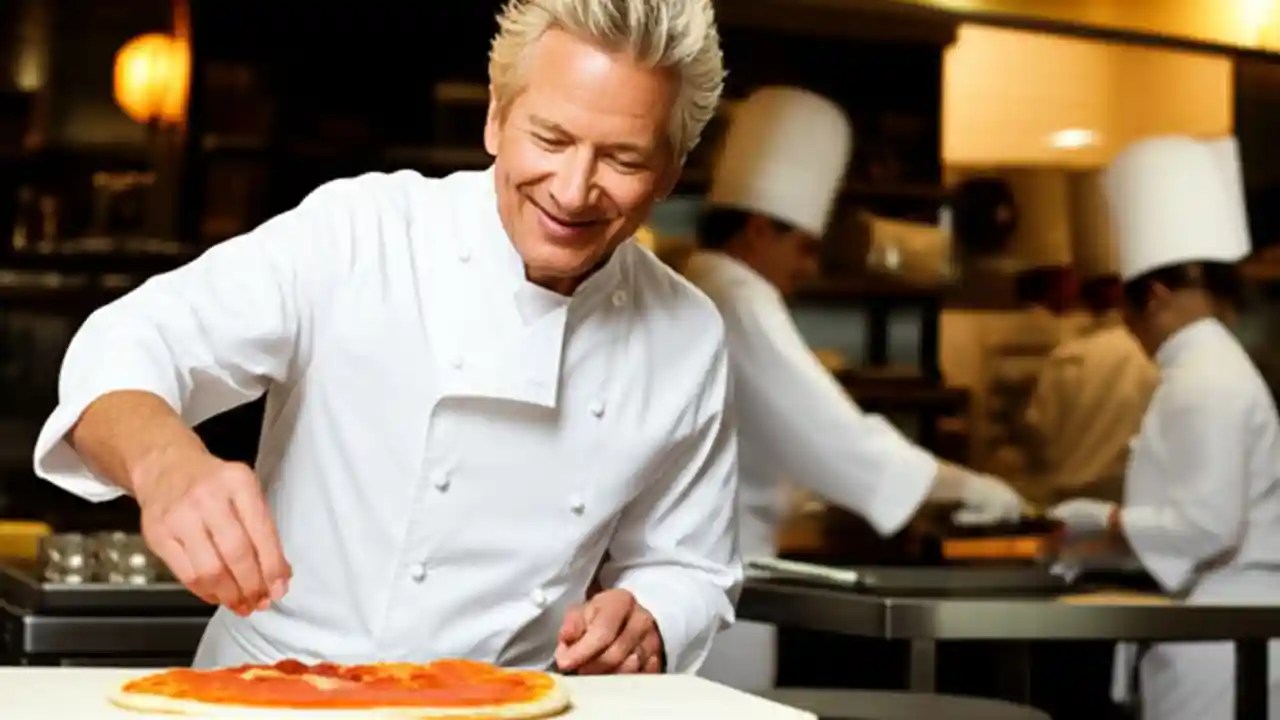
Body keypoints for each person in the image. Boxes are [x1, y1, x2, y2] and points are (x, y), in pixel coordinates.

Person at [31, 0, 742, 675]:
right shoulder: (362, 233)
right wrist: (165, 466)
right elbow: (129, 342)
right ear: (496, 119)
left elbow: (692, 568)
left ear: (671, 172)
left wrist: (651, 617)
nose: (574, 188)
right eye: (550, 139)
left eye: (622, 159)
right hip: (268, 690)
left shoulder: (685, 334)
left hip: (502, 706)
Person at [681, 85, 1029, 690]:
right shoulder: (739, 297)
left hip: (698, 584)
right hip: (714, 590)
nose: (809, 267)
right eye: (805, 246)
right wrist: (968, 487)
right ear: (759, 230)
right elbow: (841, 440)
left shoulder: (698, 281)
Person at [1048, 135, 1280, 720]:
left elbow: (1206, 524)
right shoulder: (1210, 369)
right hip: (1211, 632)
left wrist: (1102, 524)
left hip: (1219, 646)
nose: (1130, 330)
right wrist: (1103, 544)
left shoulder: (1204, 380)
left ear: (1152, 297)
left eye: (1127, 312)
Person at [1021, 273, 1158, 506]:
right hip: (1128, 500)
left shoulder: (1067, 356)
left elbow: (1038, 432)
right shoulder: (1151, 354)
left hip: (1068, 500)